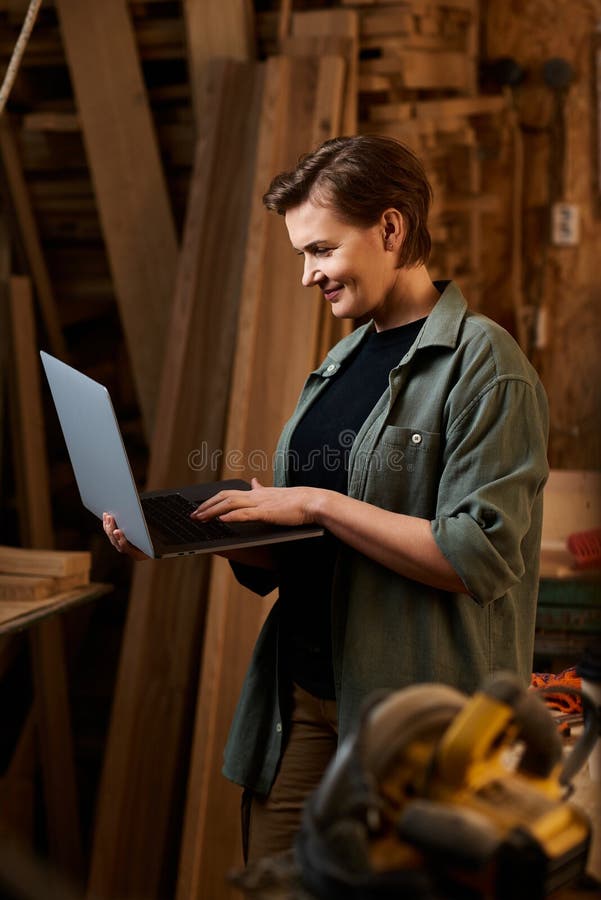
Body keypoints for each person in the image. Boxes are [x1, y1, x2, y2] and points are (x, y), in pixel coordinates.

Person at [103, 135, 549, 867]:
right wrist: (199, 533)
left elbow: (478, 556)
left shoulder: (485, 368)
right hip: (303, 697)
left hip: (409, 718)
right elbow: (317, 549)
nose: (307, 276)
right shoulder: (339, 364)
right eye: (300, 257)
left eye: (320, 250)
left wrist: (314, 503)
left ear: (390, 228)